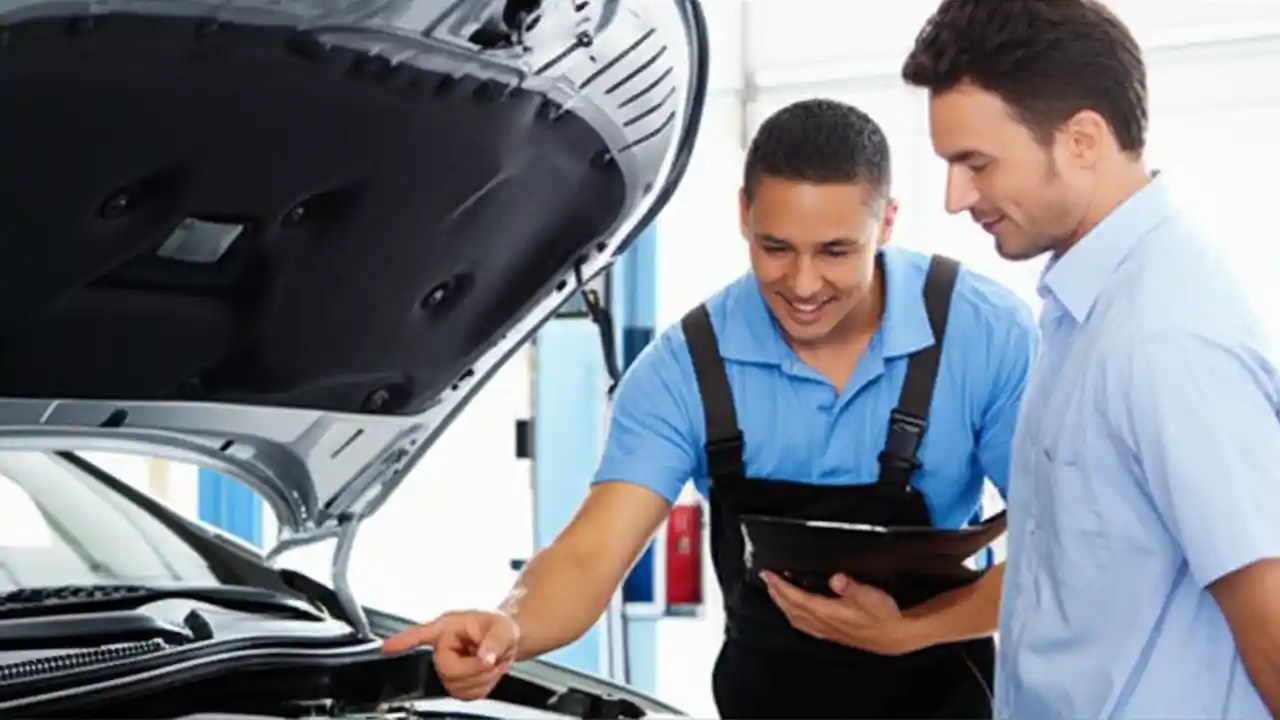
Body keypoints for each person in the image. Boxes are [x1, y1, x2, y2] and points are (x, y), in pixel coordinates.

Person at [381, 98, 1038, 719]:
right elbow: (590, 553)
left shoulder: (983, 334)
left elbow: (1060, 553)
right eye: (776, 248)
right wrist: (510, 627)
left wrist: (909, 632)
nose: (804, 284)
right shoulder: (685, 369)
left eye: (836, 251)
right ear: (743, 215)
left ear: (886, 223)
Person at [900, 1, 1280, 718]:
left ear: (1081, 140)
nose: (955, 198)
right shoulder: (1087, 309)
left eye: (976, 164)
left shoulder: (1165, 335)